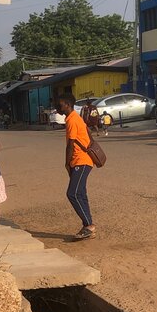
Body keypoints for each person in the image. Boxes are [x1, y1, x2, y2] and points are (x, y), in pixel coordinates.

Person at [57, 92, 96, 240]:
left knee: (72, 193)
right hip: (79, 161)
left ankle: (89, 226)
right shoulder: (73, 118)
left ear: (68, 105)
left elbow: (70, 145)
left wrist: (67, 163)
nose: (59, 108)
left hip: (82, 160)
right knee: (80, 194)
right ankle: (88, 225)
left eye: (60, 105)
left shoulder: (73, 120)